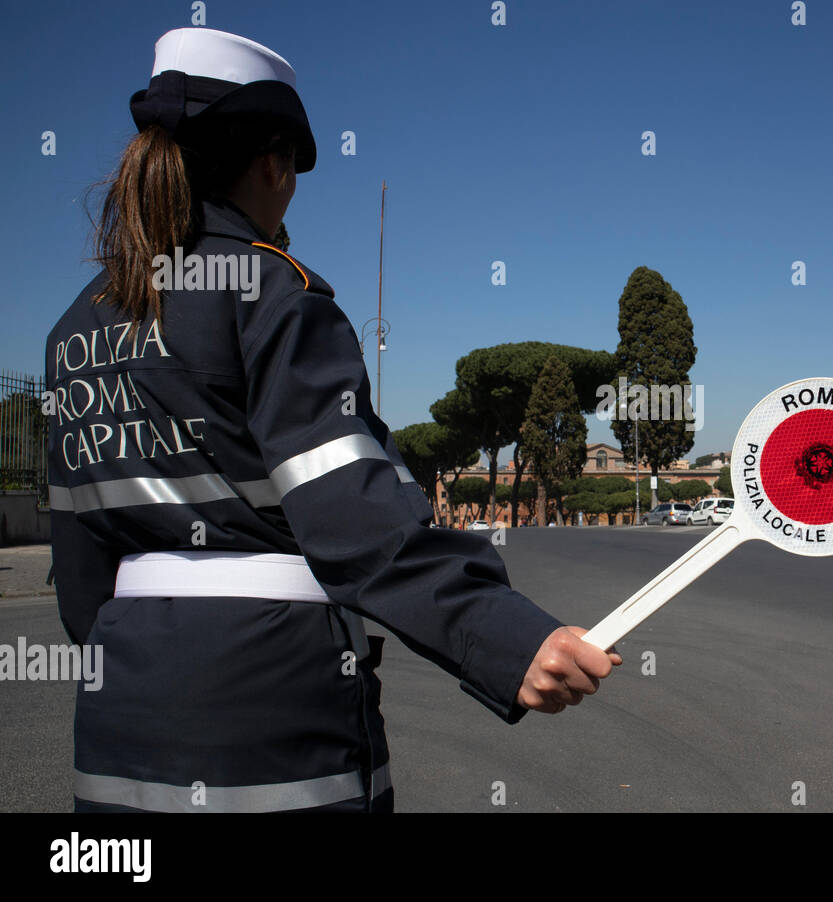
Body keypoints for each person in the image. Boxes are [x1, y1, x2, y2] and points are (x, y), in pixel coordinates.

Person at [46, 27, 620, 813]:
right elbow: (353, 519)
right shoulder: (274, 293)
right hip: (276, 708)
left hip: (124, 709)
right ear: (272, 162)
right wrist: (504, 636)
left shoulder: (77, 325)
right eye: (293, 170)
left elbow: (80, 575)